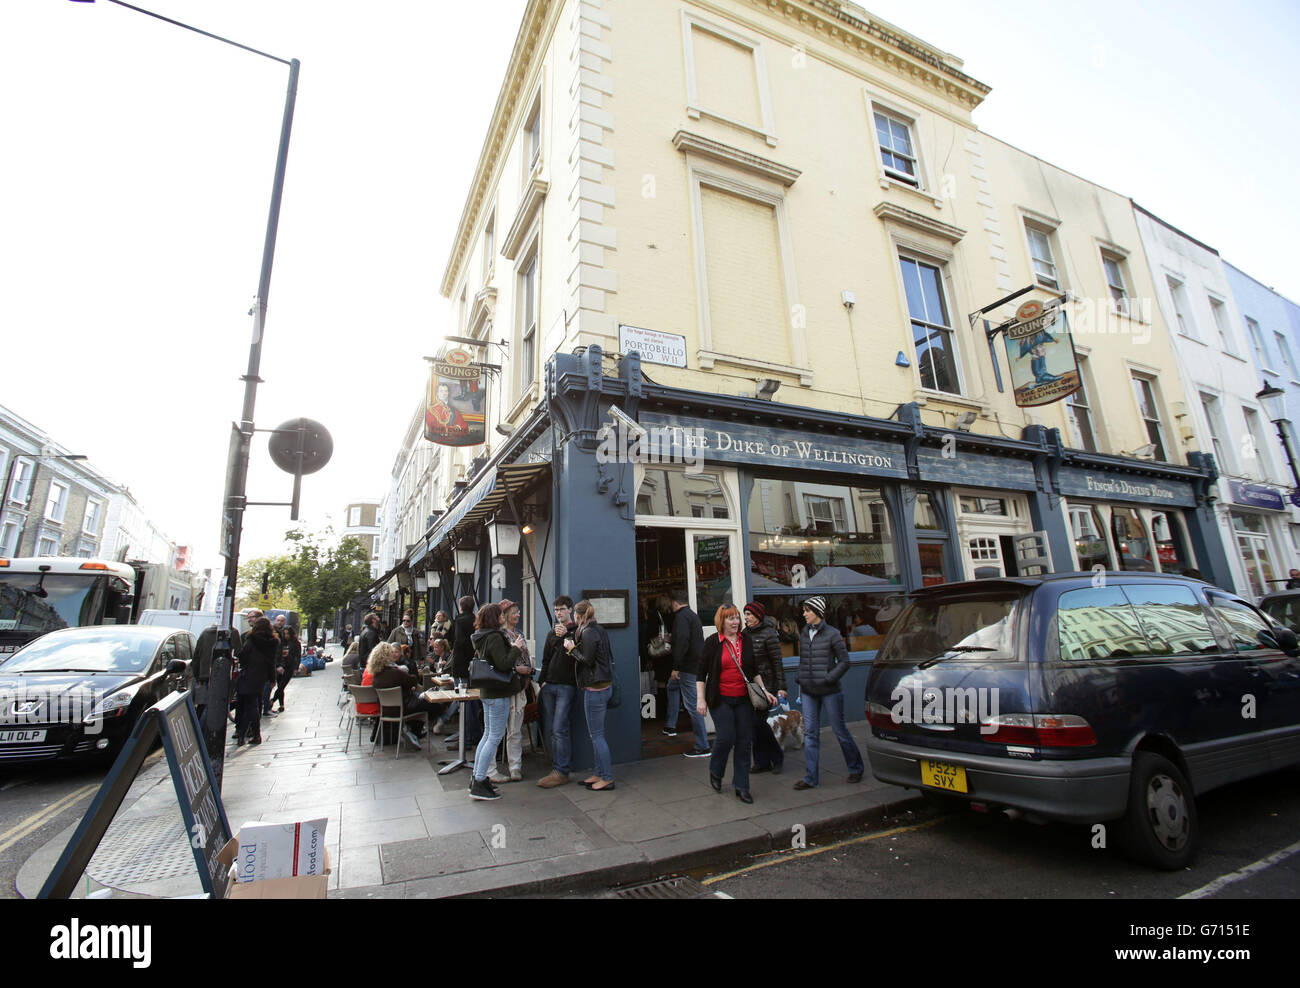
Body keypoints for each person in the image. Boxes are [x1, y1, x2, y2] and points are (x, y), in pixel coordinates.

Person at [697, 604, 772, 804]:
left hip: (743, 699)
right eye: (731, 618)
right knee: (726, 737)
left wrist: (764, 691)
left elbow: (753, 670)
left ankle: (742, 786)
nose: (736, 622)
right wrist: (700, 699)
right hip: (720, 698)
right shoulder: (712, 642)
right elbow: (700, 672)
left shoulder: (745, 640)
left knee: (745, 741)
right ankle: (716, 770)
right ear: (721, 621)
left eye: (737, 618)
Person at [793, 596, 864, 791]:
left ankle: (856, 768)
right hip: (808, 690)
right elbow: (804, 659)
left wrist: (828, 678)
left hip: (829, 691)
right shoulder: (805, 633)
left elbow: (844, 661)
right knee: (811, 733)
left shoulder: (833, 634)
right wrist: (800, 676)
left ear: (817, 612)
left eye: (807, 610)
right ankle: (810, 778)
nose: (804, 614)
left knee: (839, 730)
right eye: (804, 610)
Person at [467, 603, 527, 801]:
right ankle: (479, 780)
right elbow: (503, 663)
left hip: (487, 692)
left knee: (487, 735)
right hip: (497, 692)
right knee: (494, 737)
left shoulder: (482, 636)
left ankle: (478, 778)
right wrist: (516, 649)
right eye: (501, 614)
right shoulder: (494, 637)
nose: (504, 616)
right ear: (495, 617)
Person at [568, 600, 615, 791]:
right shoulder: (599, 630)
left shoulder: (587, 632)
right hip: (605, 686)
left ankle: (607, 777)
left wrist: (571, 649)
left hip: (595, 689)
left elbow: (587, 660)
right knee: (597, 734)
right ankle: (598, 772)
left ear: (579, 616)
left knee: (596, 736)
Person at [664, 589, 710, 758]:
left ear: (674, 603)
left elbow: (683, 641)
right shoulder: (692, 615)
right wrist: (672, 639)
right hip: (694, 664)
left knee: (693, 706)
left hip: (688, 667)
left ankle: (703, 745)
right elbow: (686, 638)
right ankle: (670, 725)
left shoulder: (681, 617)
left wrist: (676, 666)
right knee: (672, 686)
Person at [536, 596, 576, 788]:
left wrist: (566, 635)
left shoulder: (576, 631)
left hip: (566, 685)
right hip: (549, 685)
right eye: (556, 610)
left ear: (570, 609)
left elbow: (577, 654)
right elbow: (545, 659)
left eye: (562, 609)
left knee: (560, 728)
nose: (558, 613)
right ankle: (556, 767)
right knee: (552, 728)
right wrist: (542, 681)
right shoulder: (551, 634)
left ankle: (562, 770)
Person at [371, 641, 442, 750]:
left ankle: (414, 730)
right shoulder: (395, 672)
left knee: (421, 702)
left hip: (386, 710)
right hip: (403, 708)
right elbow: (412, 680)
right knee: (433, 704)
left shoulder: (376, 675)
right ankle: (415, 730)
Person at [743, 601, 787, 774]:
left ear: (758, 616)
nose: (746, 617)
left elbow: (777, 662)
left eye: (749, 614)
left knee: (758, 722)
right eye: (745, 614)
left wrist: (781, 687)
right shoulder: (745, 633)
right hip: (750, 686)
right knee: (754, 725)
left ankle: (776, 758)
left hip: (767, 686)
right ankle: (761, 761)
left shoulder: (769, 634)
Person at [496, 599, 534, 783]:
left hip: (519, 686)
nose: (517, 615)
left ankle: (515, 766)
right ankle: (489, 768)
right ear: (504, 616)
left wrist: (528, 674)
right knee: (496, 730)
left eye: (518, 611)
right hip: (504, 687)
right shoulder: (500, 636)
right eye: (514, 612)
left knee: (515, 728)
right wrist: (516, 670)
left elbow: (525, 656)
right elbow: (499, 662)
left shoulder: (519, 633)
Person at [234, 617, 278, 746]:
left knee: (248, 706)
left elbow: (243, 656)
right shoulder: (273, 642)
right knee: (253, 705)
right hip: (261, 676)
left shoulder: (251, 639)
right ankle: (253, 735)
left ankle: (245, 735)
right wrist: (272, 678)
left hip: (248, 676)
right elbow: (272, 662)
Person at [450, 596, 482, 746]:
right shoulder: (477, 621)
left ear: (461, 607)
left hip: (461, 665)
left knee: (464, 702)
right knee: (473, 703)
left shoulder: (459, 621)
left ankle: (467, 737)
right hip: (474, 666)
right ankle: (472, 734)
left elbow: (458, 641)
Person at [271, 625, 301, 713]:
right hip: (281, 666)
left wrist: (296, 667)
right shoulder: (280, 643)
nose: (286, 636)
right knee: (280, 686)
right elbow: (277, 655)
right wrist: (277, 665)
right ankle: (281, 705)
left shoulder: (296, 643)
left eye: (287, 634)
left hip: (289, 667)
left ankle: (272, 700)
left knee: (281, 686)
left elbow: (297, 656)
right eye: (284, 634)